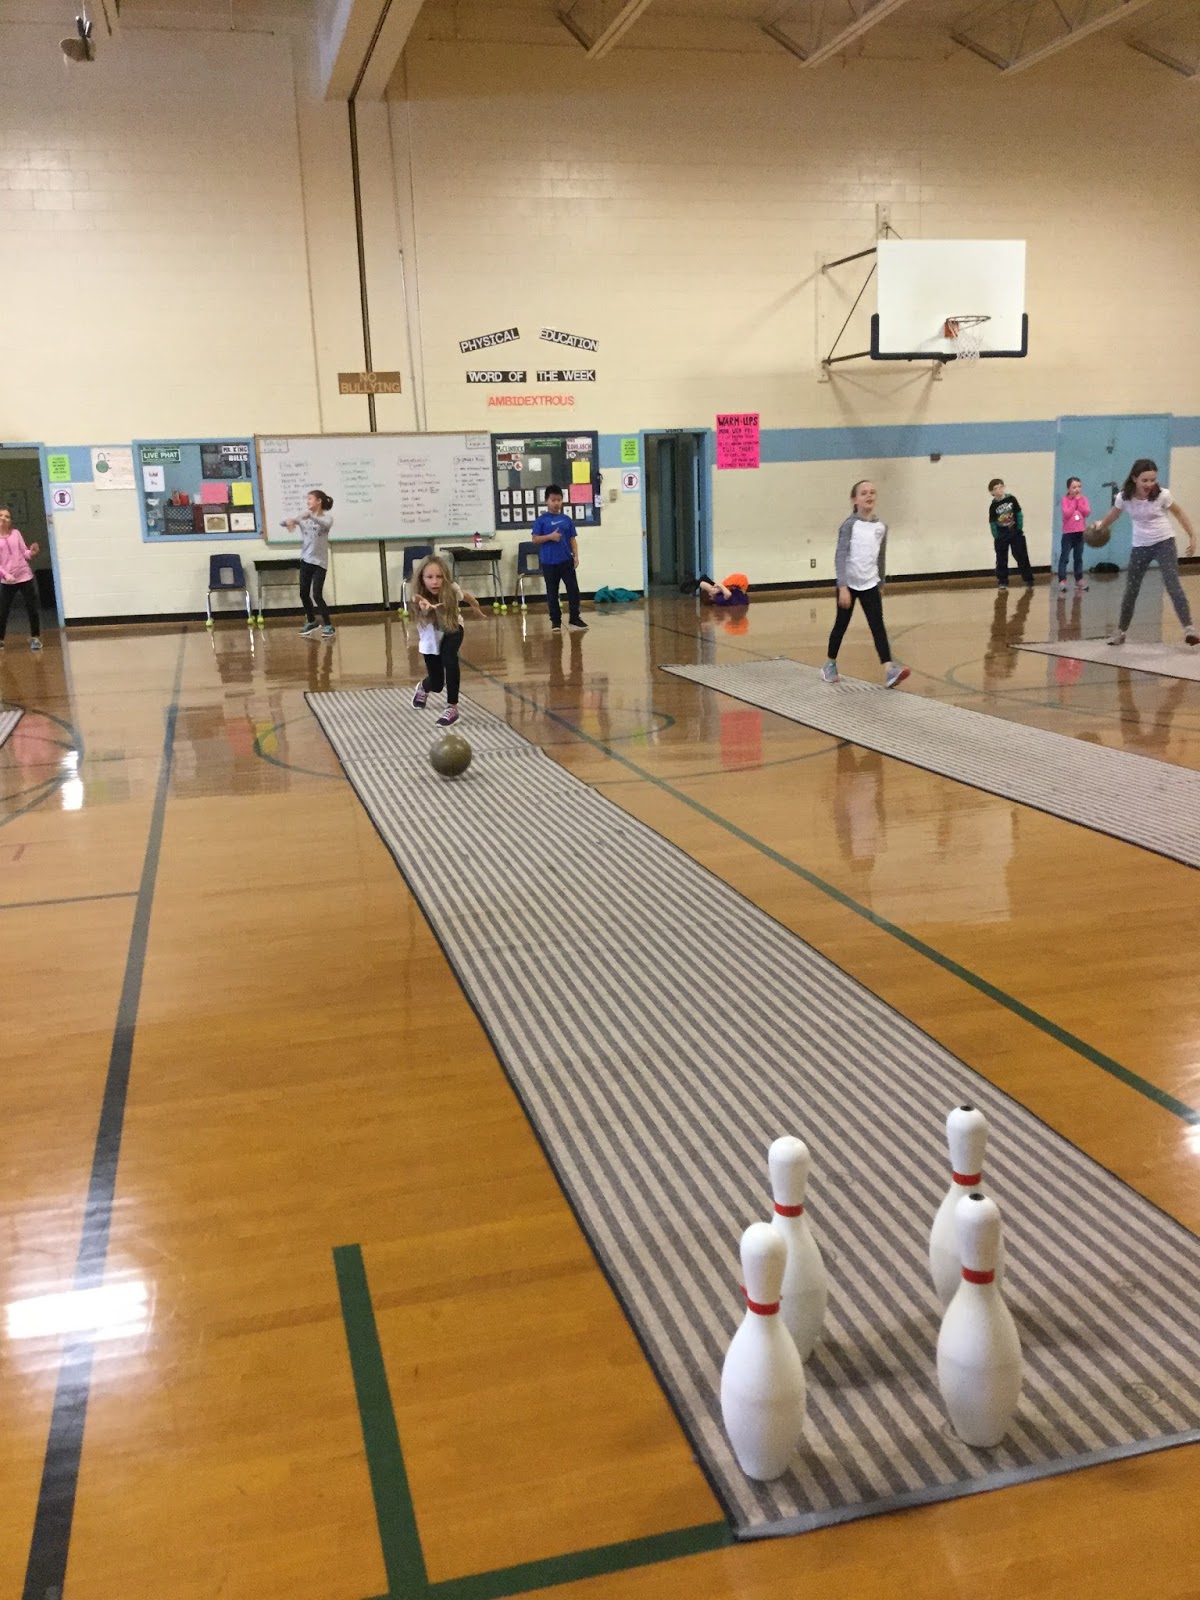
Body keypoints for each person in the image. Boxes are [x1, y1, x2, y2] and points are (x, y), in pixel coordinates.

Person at [1088, 459, 1198, 648]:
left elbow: (1179, 513)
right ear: (1134, 478)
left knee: (1172, 585)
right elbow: (1114, 513)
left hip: (1164, 543)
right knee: (1131, 589)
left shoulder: (1163, 495)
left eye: (1153, 480)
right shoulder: (1124, 497)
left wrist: (1192, 536)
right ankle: (1120, 631)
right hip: (1140, 546)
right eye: (1145, 480)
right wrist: (1101, 526)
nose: (1149, 484)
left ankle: (1189, 629)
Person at [821, 479, 909, 689]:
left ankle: (889, 669)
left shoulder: (881, 527)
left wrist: (881, 583)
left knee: (878, 626)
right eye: (864, 493)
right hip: (849, 584)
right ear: (854, 500)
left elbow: (881, 556)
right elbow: (840, 556)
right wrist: (842, 586)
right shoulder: (849, 525)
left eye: (872, 492)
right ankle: (830, 664)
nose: (869, 496)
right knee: (841, 625)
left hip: (870, 583)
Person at [409, 555, 487, 726]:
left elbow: (466, 596)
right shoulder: (418, 597)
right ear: (422, 578)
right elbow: (422, 614)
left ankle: (452, 707)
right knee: (437, 684)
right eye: (429, 577)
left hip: (453, 627)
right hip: (431, 638)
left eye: (439, 577)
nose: (435, 582)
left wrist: (476, 608)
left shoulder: (451, 589)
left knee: (450, 657)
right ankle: (424, 687)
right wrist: (426, 610)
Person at [530, 485, 587, 632]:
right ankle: (555, 621)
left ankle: (575, 618)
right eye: (553, 500)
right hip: (549, 562)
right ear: (546, 501)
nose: (556, 503)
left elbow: (572, 539)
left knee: (573, 590)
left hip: (566, 561)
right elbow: (535, 539)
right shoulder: (541, 520)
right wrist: (550, 537)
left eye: (559, 500)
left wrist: (576, 556)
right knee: (552, 592)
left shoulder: (566, 520)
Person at [282, 489, 334, 638]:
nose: (308, 501)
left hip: (320, 563)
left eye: (310, 499)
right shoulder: (303, 518)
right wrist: (289, 521)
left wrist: (311, 516)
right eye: (307, 499)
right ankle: (311, 621)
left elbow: (325, 524)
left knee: (317, 594)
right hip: (306, 561)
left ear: (319, 501)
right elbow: (284, 523)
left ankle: (328, 625)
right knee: (303, 593)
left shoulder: (327, 518)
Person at [0, 507, 43, 652]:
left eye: (7, 516)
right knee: (3, 610)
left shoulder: (16, 533)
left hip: (25, 577)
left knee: (32, 608)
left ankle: (35, 638)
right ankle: (1, 640)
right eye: (1, 515)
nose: (4, 518)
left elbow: (24, 552)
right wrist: (5, 575)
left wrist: (32, 552)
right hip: (8, 580)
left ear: (10, 520)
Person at [987, 478, 1035, 590]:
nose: (999, 490)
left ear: (1004, 487)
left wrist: (1019, 528)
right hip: (1001, 535)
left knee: (1021, 555)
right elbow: (992, 522)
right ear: (992, 492)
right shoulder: (993, 506)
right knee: (1001, 559)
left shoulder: (1011, 499)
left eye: (1001, 487)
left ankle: (1028, 579)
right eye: (996, 488)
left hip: (1015, 532)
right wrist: (996, 535)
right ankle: (1002, 581)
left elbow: (1019, 513)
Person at [1058, 476, 1090, 594]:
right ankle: (1062, 580)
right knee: (1065, 557)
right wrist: (1074, 502)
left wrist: (1079, 502)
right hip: (1068, 534)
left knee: (1078, 557)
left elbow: (1086, 512)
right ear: (1068, 489)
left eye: (1079, 487)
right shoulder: (1065, 500)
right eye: (1074, 487)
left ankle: (1079, 579)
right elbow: (1067, 513)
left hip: (1080, 533)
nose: (1077, 489)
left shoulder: (1083, 499)